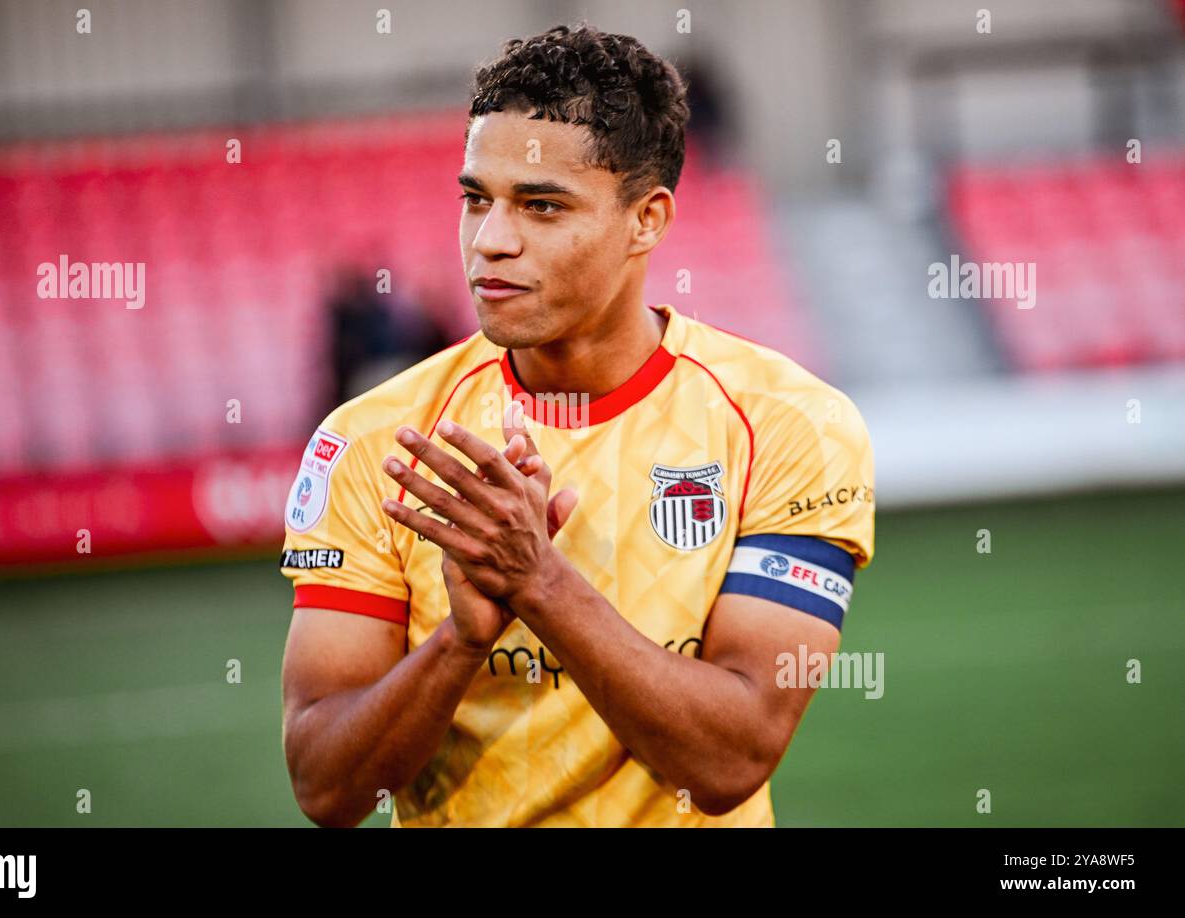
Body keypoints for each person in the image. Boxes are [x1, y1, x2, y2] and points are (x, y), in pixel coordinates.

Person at [279, 22, 874, 827]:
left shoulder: (790, 426)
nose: (490, 242)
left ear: (647, 221)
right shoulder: (376, 440)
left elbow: (729, 759)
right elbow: (326, 789)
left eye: (542, 206)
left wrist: (537, 581)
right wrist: (459, 641)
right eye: (474, 199)